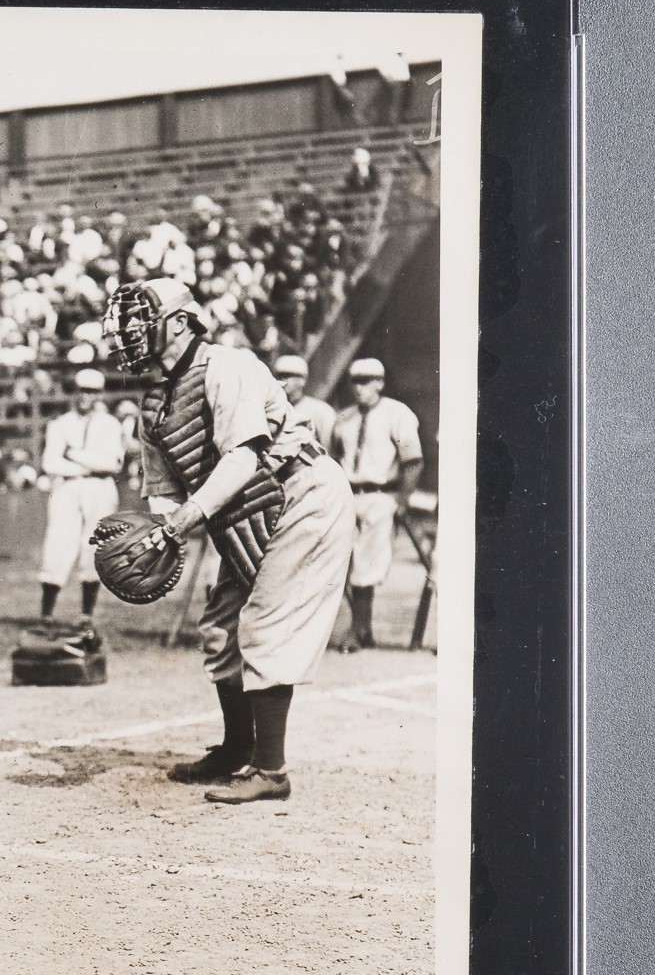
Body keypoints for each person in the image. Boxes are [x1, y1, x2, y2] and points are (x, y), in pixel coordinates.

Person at [101, 279, 355, 805]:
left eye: (139, 317)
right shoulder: (154, 404)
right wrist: (155, 537)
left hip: (300, 488)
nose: (127, 331)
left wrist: (182, 523)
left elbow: (243, 457)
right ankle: (237, 748)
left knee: (264, 622)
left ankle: (271, 769)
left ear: (178, 322)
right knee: (220, 625)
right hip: (245, 507)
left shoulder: (228, 366)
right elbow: (164, 491)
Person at [330, 357, 424, 650]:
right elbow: (335, 460)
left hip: (381, 494)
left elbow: (413, 460)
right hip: (349, 495)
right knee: (343, 562)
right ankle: (362, 629)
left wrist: (402, 500)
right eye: (355, 381)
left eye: (367, 381)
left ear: (380, 383)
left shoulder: (398, 414)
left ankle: (356, 631)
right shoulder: (344, 419)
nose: (359, 388)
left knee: (367, 564)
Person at [37, 368, 130, 627]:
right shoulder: (60, 424)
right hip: (68, 487)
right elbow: (50, 463)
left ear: (100, 394)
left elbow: (112, 463)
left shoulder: (111, 425)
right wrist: (87, 464)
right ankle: (47, 614)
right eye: (81, 390)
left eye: (91, 391)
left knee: (94, 547)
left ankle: (86, 614)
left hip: (99, 488)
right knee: (58, 543)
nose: (85, 396)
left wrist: (74, 454)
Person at [272, 353, 337, 452]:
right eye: (279, 376)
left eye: (289, 376)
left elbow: (328, 449)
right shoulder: (271, 409)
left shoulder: (320, 411)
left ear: (302, 380)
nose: (283, 380)